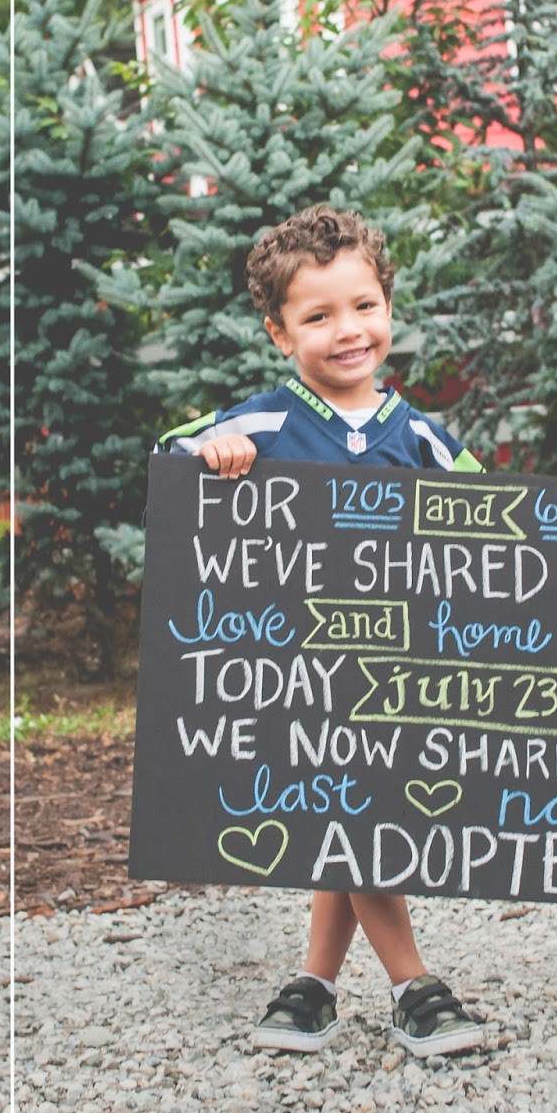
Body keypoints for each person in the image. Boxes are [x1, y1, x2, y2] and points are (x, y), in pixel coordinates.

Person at [155, 204, 485, 1059]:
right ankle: (416, 986)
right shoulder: (260, 425)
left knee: (349, 822)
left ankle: (315, 985)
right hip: (299, 678)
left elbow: (501, 524)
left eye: (365, 306)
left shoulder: (420, 436)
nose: (349, 331)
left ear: (388, 306)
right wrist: (211, 455)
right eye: (319, 316)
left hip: (398, 673)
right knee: (351, 814)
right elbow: (169, 465)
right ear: (278, 332)